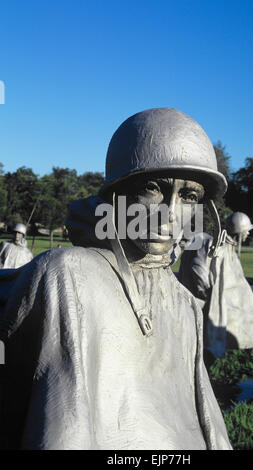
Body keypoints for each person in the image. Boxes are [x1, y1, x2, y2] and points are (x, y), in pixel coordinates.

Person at [0, 108, 232, 450]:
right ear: (118, 194)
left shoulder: (186, 306)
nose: (170, 212)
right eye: (153, 188)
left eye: (188, 196)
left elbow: (207, 421)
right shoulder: (67, 274)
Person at [178, 212, 253, 360]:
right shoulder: (216, 245)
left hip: (231, 301)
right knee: (222, 330)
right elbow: (198, 268)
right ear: (237, 230)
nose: (248, 233)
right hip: (214, 300)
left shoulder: (230, 250)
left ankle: (252, 347)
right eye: (246, 230)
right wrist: (207, 293)